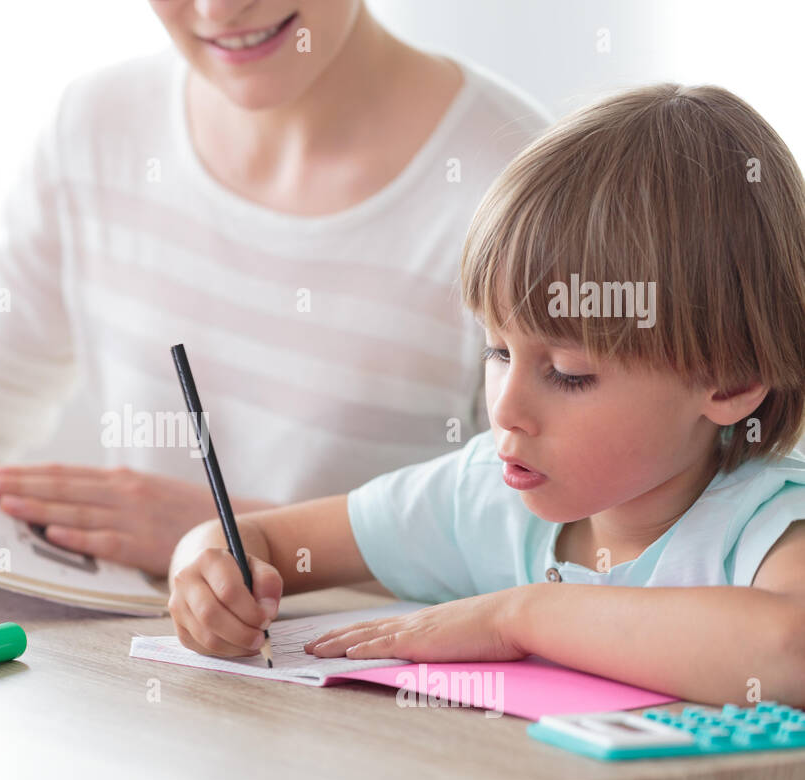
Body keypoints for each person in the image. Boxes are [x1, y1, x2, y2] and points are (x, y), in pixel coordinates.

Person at [166, 84, 805, 707]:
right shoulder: (484, 495)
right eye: (499, 351)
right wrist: (207, 572)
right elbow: (258, 541)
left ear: (731, 381)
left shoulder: (768, 526)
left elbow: (789, 651)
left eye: (568, 373)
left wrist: (518, 617)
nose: (503, 410)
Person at [0, 1, 549, 574]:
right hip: (143, 684)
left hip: (374, 710)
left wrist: (236, 535)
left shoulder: (524, 189)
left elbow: (564, 552)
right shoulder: (97, 126)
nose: (218, 10)